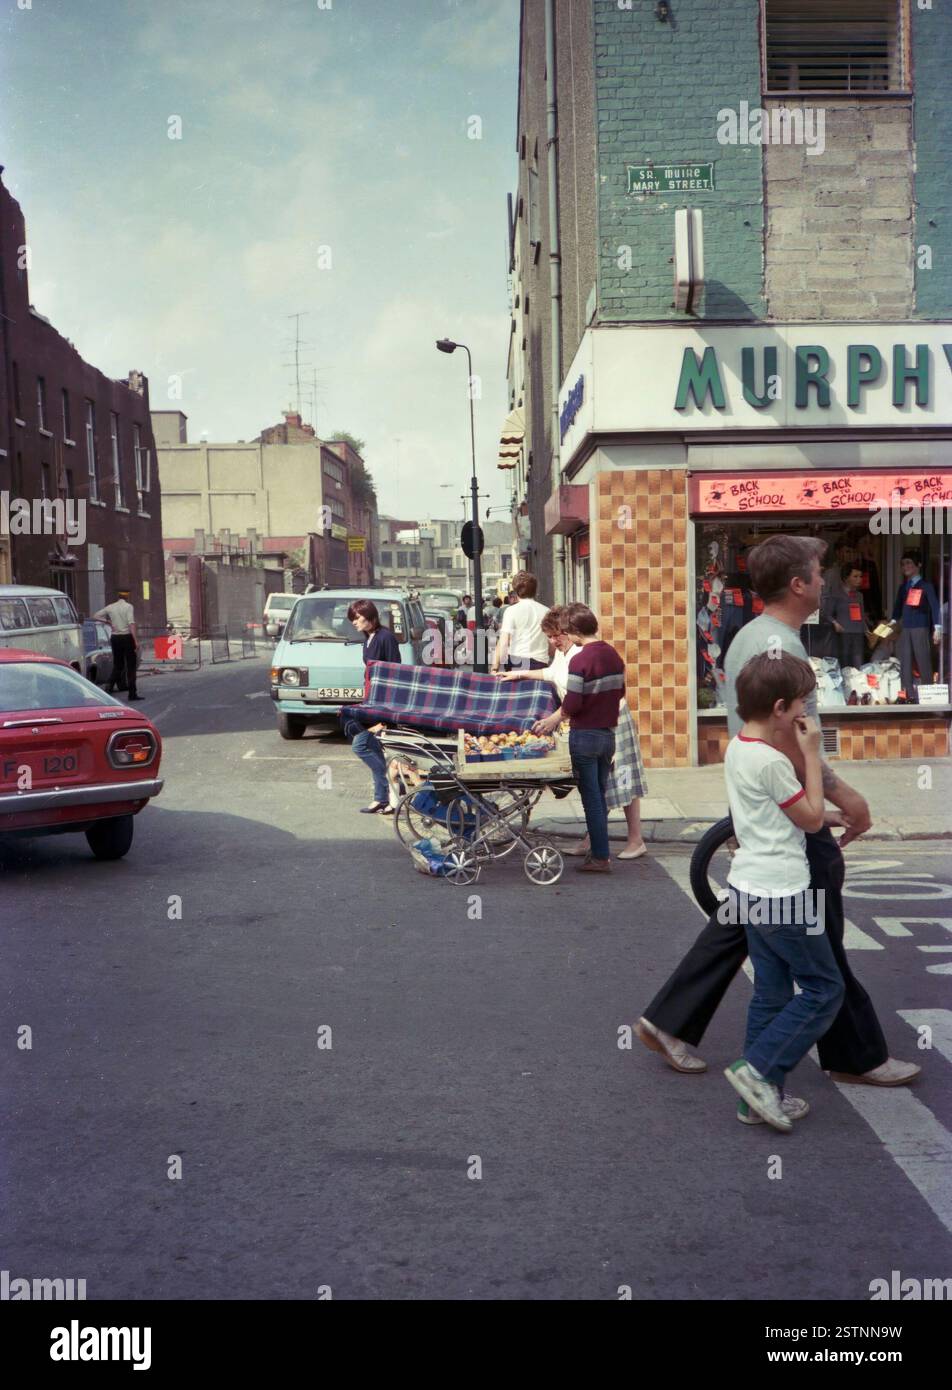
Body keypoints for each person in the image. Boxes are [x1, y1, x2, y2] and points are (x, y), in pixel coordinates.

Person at [636, 533, 919, 1086]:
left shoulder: (751, 636)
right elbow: (796, 742)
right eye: (818, 574)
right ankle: (851, 1056)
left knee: (748, 921)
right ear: (797, 584)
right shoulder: (781, 649)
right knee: (820, 941)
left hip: (766, 809)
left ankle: (670, 1020)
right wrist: (845, 799)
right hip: (790, 814)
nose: (824, 582)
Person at [721, 652, 844, 1131]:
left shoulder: (737, 747)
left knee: (771, 994)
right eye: (799, 704)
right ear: (777, 708)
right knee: (823, 988)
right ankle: (755, 1072)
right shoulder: (773, 761)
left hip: (749, 886)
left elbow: (779, 812)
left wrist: (817, 810)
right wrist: (811, 754)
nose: (804, 714)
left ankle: (756, 1100)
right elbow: (810, 818)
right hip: (783, 892)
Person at [508, 607, 648, 859]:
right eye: (549, 637)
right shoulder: (569, 654)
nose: (552, 642)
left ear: (569, 632)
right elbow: (552, 674)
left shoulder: (581, 656)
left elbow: (577, 699)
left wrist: (557, 718)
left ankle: (635, 839)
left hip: (607, 720)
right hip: (594, 720)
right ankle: (593, 841)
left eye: (555, 636)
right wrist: (519, 673)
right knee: (598, 785)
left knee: (622, 778)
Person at [540, 602, 624, 874]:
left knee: (592, 799)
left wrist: (553, 719)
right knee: (599, 796)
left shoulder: (579, 660)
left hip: (585, 736)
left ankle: (600, 857)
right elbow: (620, 693)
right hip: (607, 735)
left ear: (574, 631)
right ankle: (599, 852)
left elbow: (573, 703)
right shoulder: (613, 655)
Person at [341, 599, 402, 815]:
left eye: (357, 618)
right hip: (371, 701)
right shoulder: (368, 638)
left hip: (382, 706)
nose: (354, 623)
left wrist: (386, 716)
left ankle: (388, 787)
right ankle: (382, 799)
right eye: (353, 619)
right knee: (374, 748)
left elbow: (395, 674)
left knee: (360, 746)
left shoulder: (386, 638)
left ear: (369, 616)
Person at [891, 550, 941, 701]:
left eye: (909, 563)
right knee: (904, 660)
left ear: (918, 565)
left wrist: (937, 627)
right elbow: (898, 607)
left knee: (923, 659)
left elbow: (934, 607)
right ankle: (906, 695)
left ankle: (927, 695)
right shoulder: (903, 587)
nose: (905, 567)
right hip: (906, 627)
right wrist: (893, 622)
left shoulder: (926, 586)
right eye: (903, 564)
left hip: (920, 627)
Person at [490, 571, 549, 673]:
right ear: (535, 590)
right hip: (540, 663)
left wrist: (496, 668)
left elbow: (504, 642)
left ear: (516, 591)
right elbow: (551, 643)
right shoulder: (546, 611)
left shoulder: (511, 611)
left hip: (516, 661)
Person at [94, 587, 142, 701]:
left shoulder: (111, 607)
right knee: (131, 666)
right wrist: (135, 640)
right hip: (126, 637)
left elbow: (95, 615)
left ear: (118, 596)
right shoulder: (129, 607)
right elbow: (131, 623)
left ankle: (109, 686)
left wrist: (108, 621)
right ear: (127, 596)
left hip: (115, 638)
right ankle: (132, 693)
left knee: (118, 665)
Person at [829, 562, 870, 671]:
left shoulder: (859, 595)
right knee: (844, 662)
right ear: (846, 578)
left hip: (858, 632)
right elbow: (827, 612)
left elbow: (861, 613)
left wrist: (866, 629)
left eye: (860, 576)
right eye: (855, 576)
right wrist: (834, 623)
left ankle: (859, 686)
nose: (859, 579)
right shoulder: (836, 594)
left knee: (859, 662)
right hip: (844, 632)